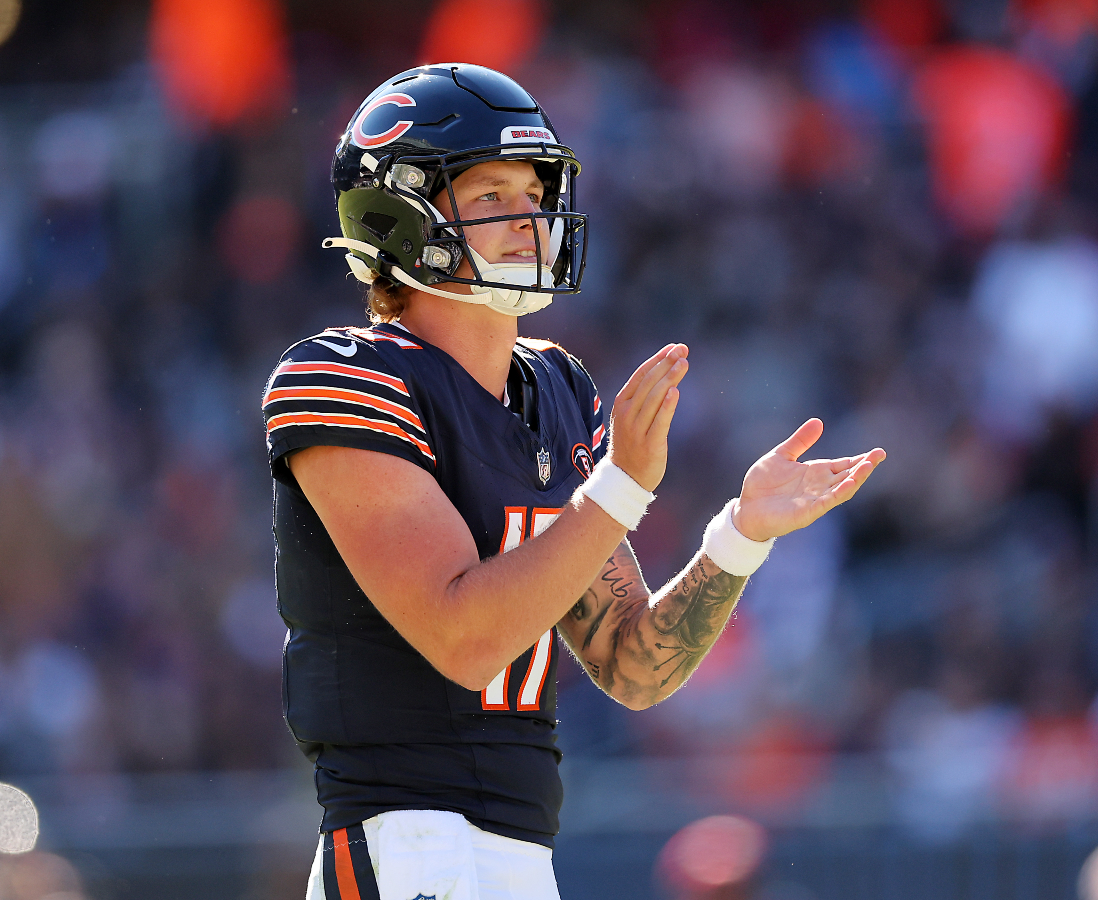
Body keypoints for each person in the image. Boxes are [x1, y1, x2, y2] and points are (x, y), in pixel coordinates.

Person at [263, 63, 885, 900]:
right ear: (399, 213)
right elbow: (466, 636)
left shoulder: (557, 389)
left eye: (532, 190)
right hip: (405, 844)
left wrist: (740, 535)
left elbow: (633, 665)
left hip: (523, 854)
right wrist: (622, 486)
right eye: (489, 196)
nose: (527, 219)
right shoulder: (342, 374)